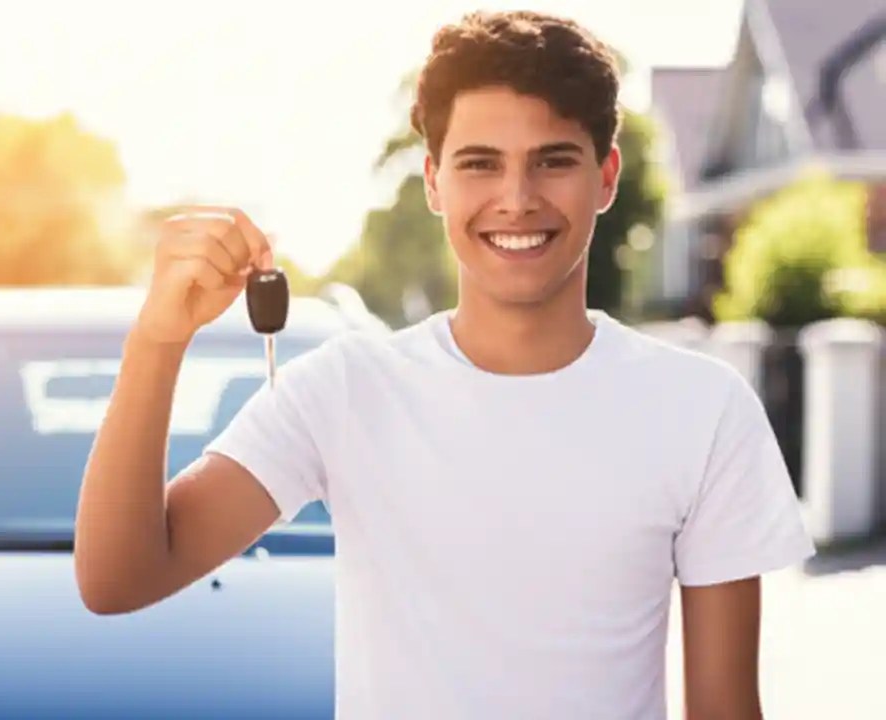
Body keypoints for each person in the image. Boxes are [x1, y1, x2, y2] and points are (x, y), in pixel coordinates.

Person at [74, 9, 815, 719]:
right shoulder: (345, 391)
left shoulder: (701, 408)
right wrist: (158, 339)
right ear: (434, 181)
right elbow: (119, 577)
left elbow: (723, 709)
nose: (516, 199)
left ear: (607, 176)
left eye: (553, 161)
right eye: (480, 164)